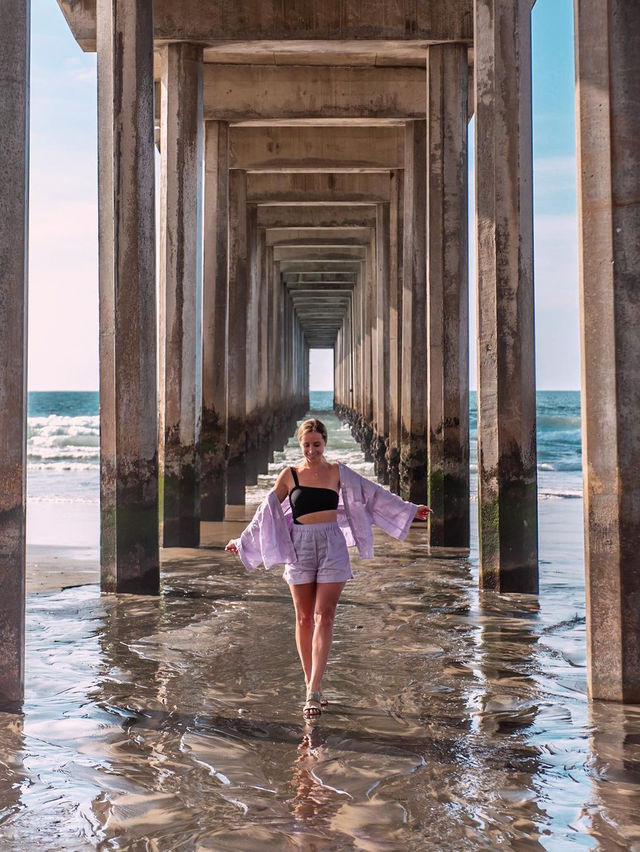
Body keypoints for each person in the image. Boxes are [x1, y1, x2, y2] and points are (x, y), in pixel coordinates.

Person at [225, 418, 432, 720]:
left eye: (317, 444)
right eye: (306, 445)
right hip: (300, 548)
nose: (311, 450)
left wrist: (410, 510)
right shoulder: (290, 475)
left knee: (325, 616)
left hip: (332, 545)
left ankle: (313, 690)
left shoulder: (338, 472)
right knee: (305, 617)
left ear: (325, 442)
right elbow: (265, 513)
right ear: (301, 445)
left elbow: (373, 495)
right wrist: (242, 541)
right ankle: (311, 682)